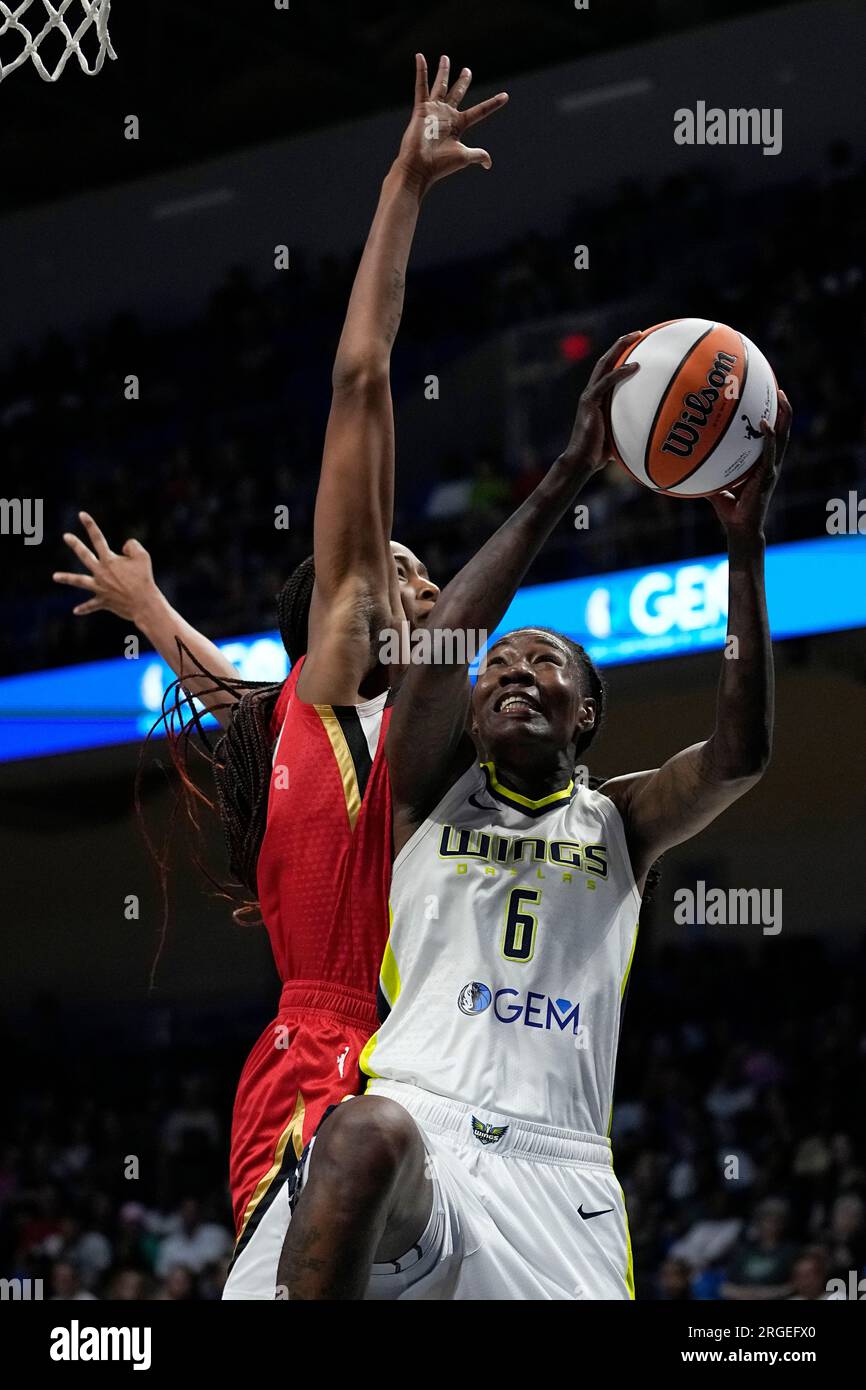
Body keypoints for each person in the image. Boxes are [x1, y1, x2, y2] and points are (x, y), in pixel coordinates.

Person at [278, 345, 792, 1300]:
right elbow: (436, 659)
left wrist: (744, 539)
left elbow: (740, 755)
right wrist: (570, 469)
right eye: (499, 663)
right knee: (358, 1136)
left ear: (586, 712)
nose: (515, 670)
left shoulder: (621, 821)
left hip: (562, 1181)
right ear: (469, 712)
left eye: (546, 662)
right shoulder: (425, 789)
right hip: (421, 1136)